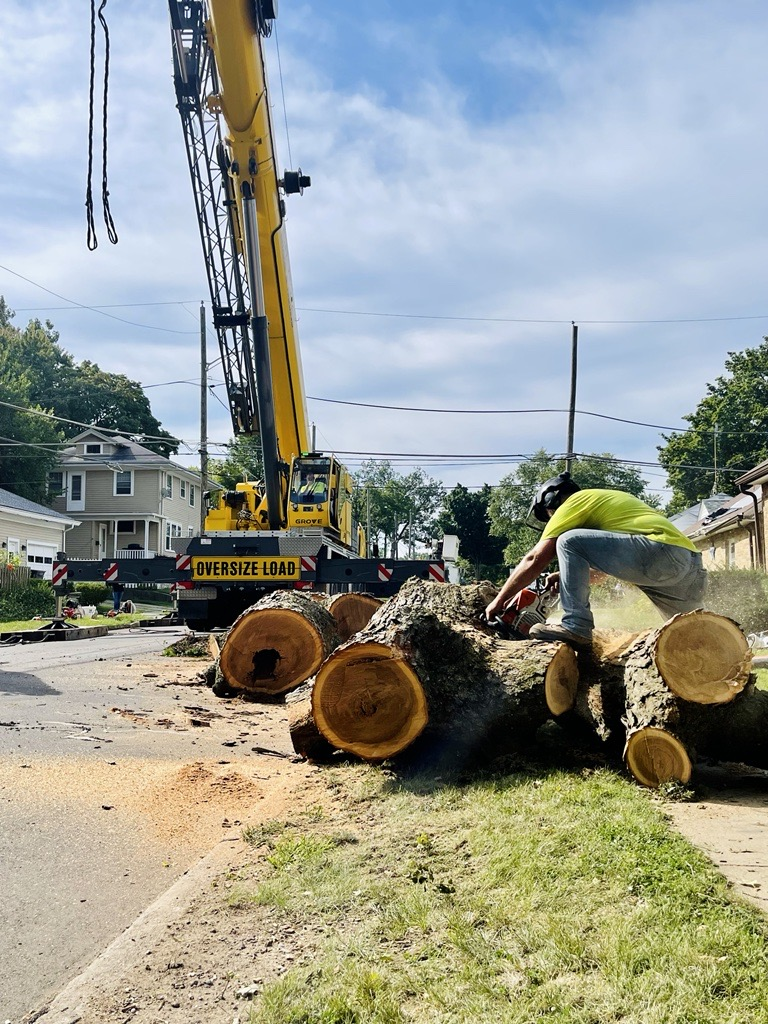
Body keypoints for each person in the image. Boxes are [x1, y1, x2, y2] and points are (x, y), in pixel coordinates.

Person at [484, 472, 707, 645]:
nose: (552, 520)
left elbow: (535, 559)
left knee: (568, 541)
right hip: (688, 564)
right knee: (692, 634)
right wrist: (565, 575)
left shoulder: (574, 502)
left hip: (661, 552)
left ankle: (576, 626)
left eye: (549, 515)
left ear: (553, 499)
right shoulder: (606, 508)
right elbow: (601, 576)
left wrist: (499, 601)